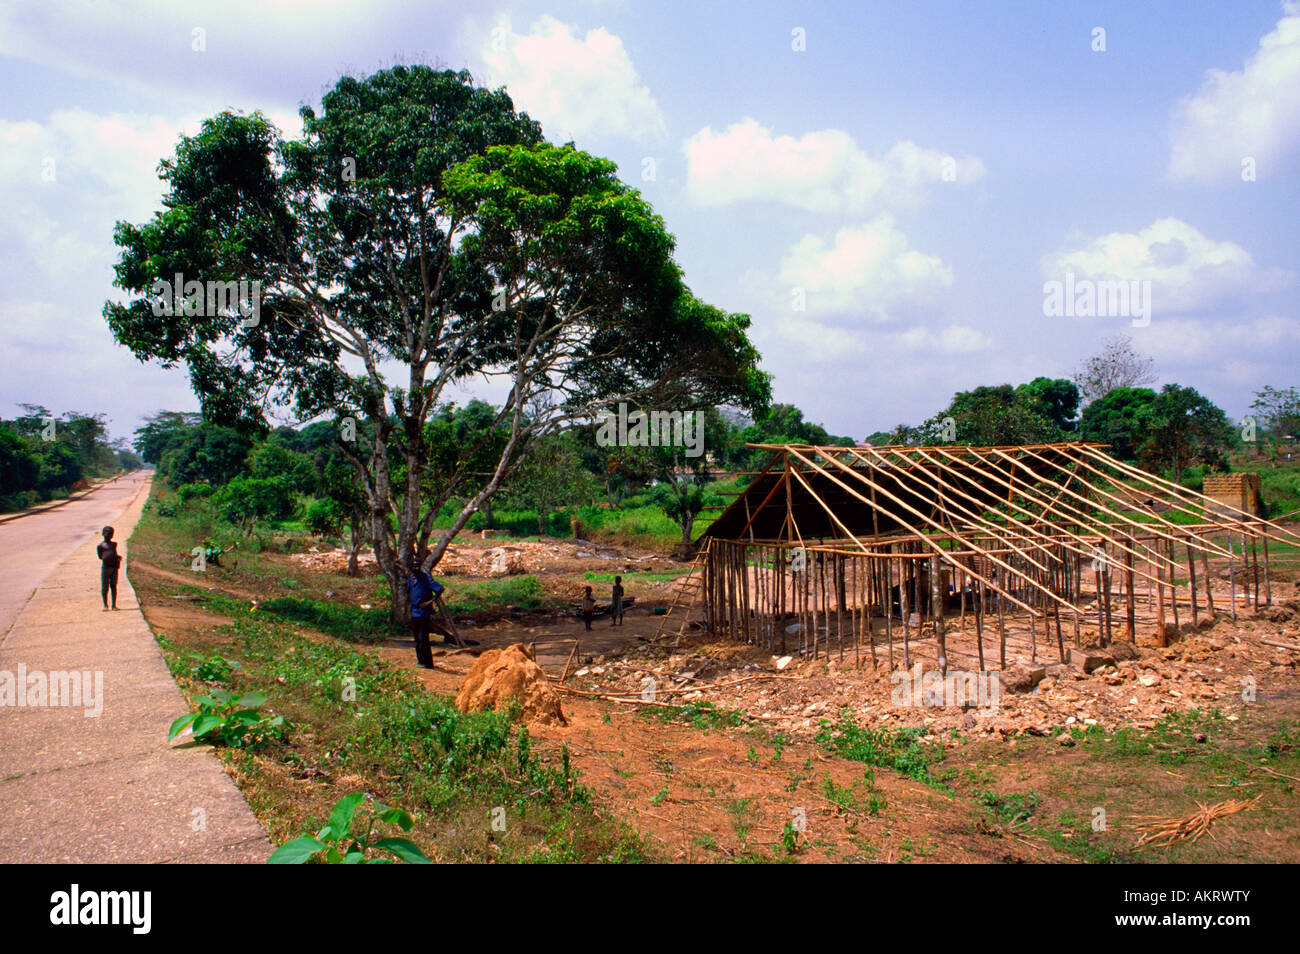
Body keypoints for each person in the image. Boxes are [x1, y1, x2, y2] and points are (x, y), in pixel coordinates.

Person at [408, 556, 447, 668]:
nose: (415, 567)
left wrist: (429, 602)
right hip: (414, 613)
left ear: (420, 566)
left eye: (417, 565)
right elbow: (410, 592)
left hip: (423, 613)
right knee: (417, 639)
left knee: (423, 638)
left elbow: (439, 589)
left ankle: (428, 663)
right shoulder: (412, 578)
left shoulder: (425, 578)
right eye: (413, 565)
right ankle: (420, 660)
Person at [96, 526, 121, 611]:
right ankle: (105, 605)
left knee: (113, 586)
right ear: (103, 534)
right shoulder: (100, 546)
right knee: (104, 586)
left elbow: (114, 553)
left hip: (114, 567)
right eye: (107, 533)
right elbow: (100, 556)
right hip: (106, 567)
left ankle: (114, 605)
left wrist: (117, 557)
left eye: (110, 533)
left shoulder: (114, 544)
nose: (109, 535)